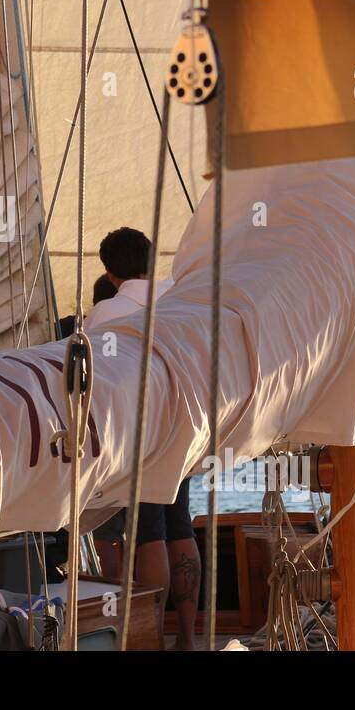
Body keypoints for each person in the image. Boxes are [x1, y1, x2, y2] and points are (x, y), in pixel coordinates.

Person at [85, 227, 199, 650]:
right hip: (187, 429)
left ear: (111, 273)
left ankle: (150, 640)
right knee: (179, 524)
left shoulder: (105, 315)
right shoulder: (185, 298)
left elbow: (92, 381)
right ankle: (187, 638)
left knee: (149, 533)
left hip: (141, 435)